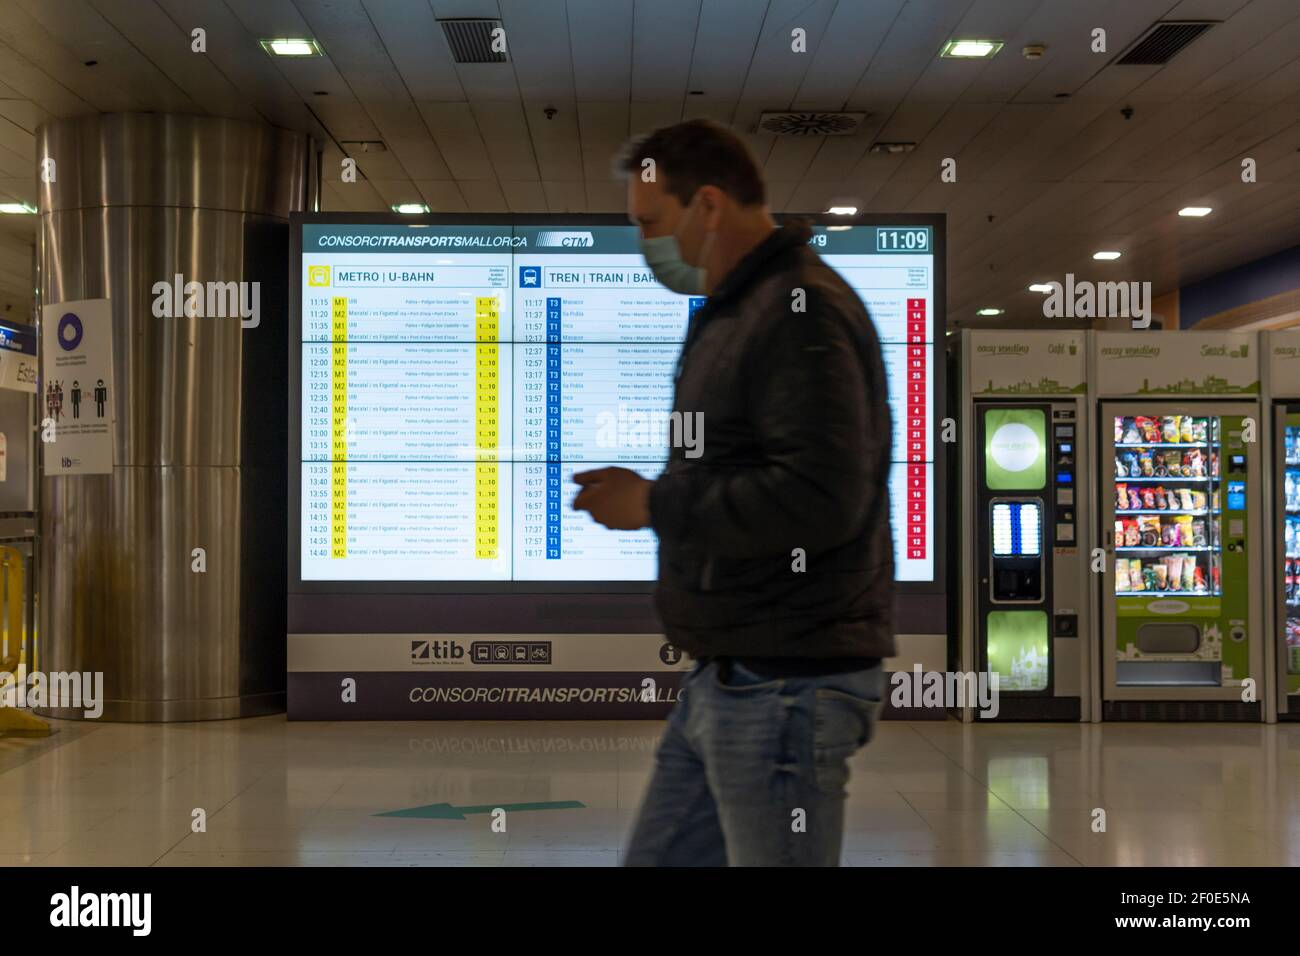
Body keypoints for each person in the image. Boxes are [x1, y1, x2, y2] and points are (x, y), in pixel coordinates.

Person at [572, 119, 896, 866]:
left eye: (652, 222)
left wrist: (653, 506)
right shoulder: (740, 311)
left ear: (708, 206)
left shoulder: (798, 312)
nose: (651, 243)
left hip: (786, 685)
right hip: (732, 675)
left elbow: (818, 497)